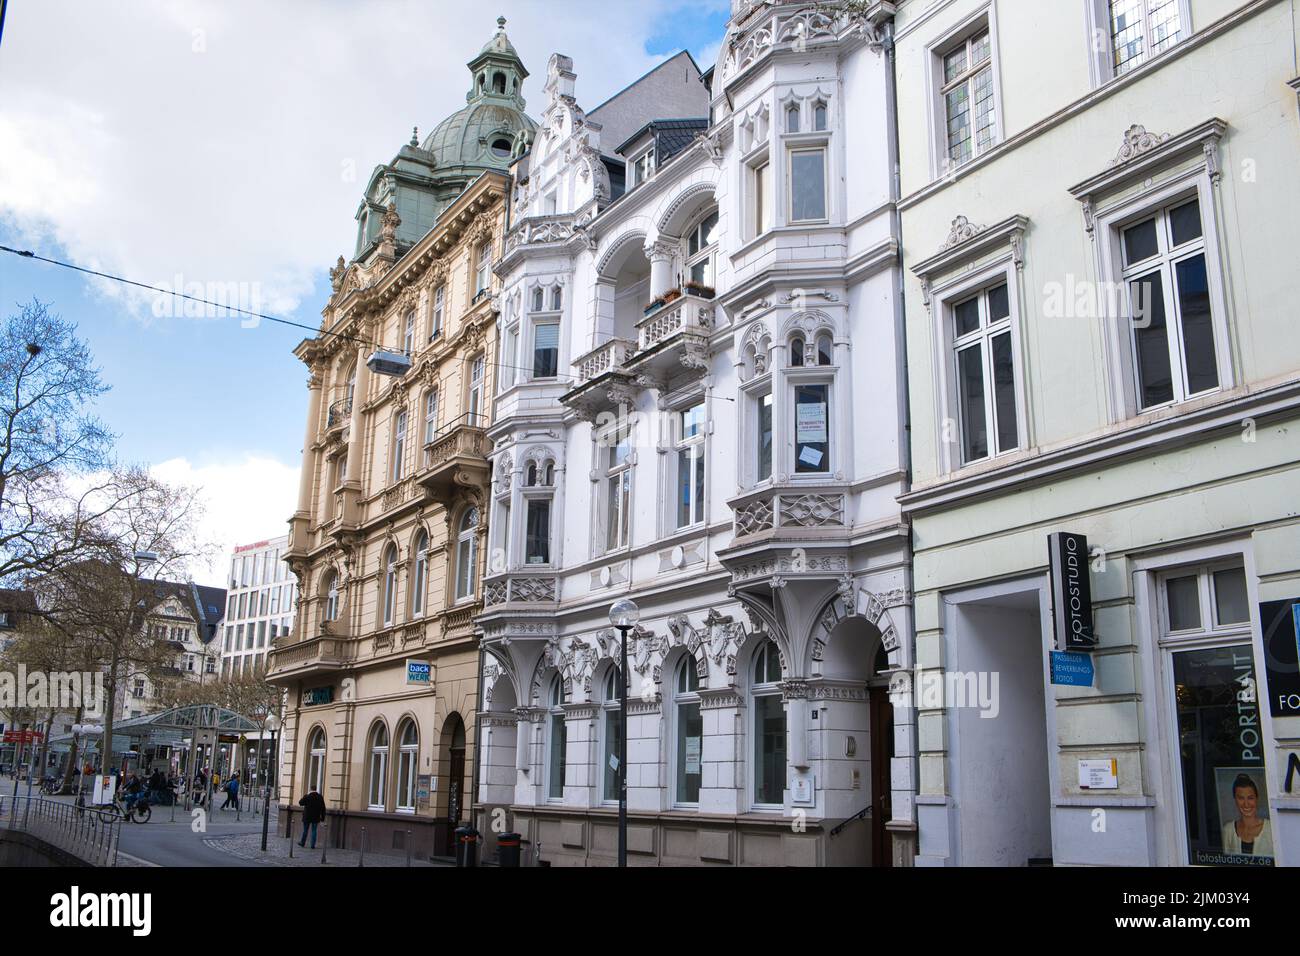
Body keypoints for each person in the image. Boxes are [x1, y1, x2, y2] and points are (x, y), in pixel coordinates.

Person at [1221, 773, 1273, 856]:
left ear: (1257, 798)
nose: (1246, 804)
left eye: (1250, 798)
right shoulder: (1228, 830)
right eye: (1241, 798)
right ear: (1235, 799)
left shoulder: (1271, 829)